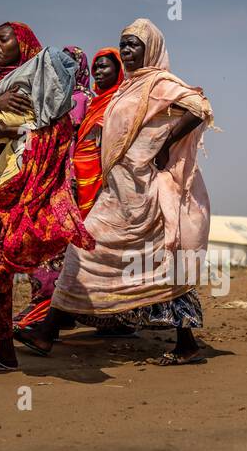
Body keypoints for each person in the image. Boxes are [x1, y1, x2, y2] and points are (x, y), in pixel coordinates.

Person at [20, 18, 214, 365]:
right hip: (120, 192)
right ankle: (49, 332)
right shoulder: (128, 87)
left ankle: (48, 333)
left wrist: (167, 143)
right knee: (100, 255)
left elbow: (200, 107)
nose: (125, 49)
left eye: (133, 44)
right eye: (123, 43)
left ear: (150, 49)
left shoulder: (160, 83)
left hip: (147, 195)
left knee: (144, 262)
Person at [0, 22, 93, 373]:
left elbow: (55, 134)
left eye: (3, 39)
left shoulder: (44, 85)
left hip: (18, 193)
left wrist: (14, 128)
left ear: (23, 44)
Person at [12, 46, 101, 332]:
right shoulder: (48, 97)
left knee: (64, 243)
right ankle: (44, 303)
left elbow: (93, 144)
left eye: (72, 64)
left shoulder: (87, 100)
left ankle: (56, 311)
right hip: (45, 176)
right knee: (41, 238)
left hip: (73, 180)